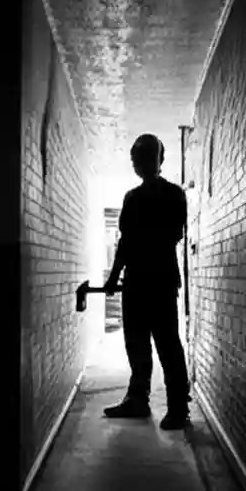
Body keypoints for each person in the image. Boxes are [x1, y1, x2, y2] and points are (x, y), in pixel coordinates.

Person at [103, 134, 191, 430]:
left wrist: (121, 270)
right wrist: (114, 277)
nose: (138, 163)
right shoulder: (134, 197)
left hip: (158, 279)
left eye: (143, 157)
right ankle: (138, 398)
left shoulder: (173, 194)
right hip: (141, 280)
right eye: (135, 159)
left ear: (159, 159)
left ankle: (178, 407)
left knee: (167, 344)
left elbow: (171, 235)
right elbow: (126, 242)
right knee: (137, 342)